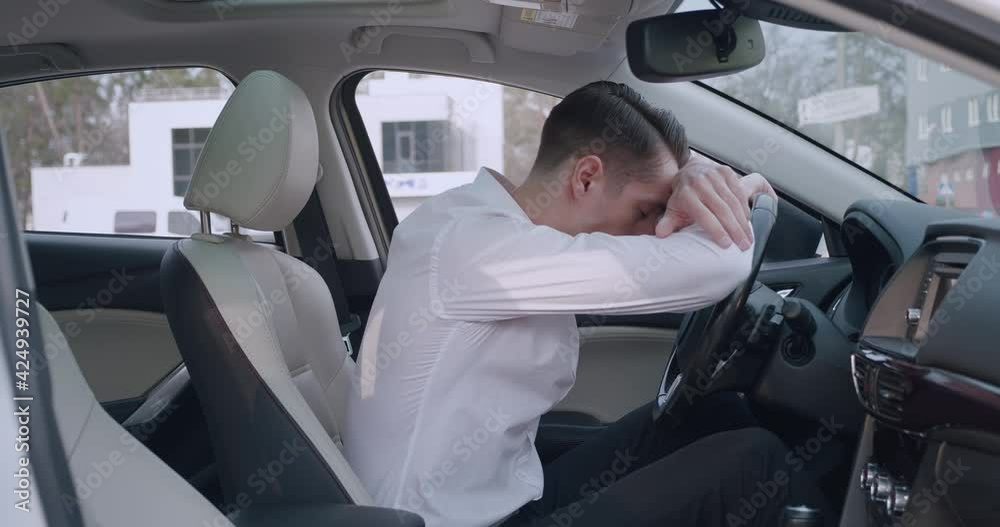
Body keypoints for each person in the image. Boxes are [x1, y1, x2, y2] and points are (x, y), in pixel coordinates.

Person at [343, 81, 807, 527]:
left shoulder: (483, 226)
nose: (656, 230)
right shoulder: (476, 247)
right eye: (647, 211)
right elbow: (719, 266)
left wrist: (697, 176)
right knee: (753, 464)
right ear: (586, 178)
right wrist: (718, 187)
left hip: (502, 500)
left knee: (714, 415)